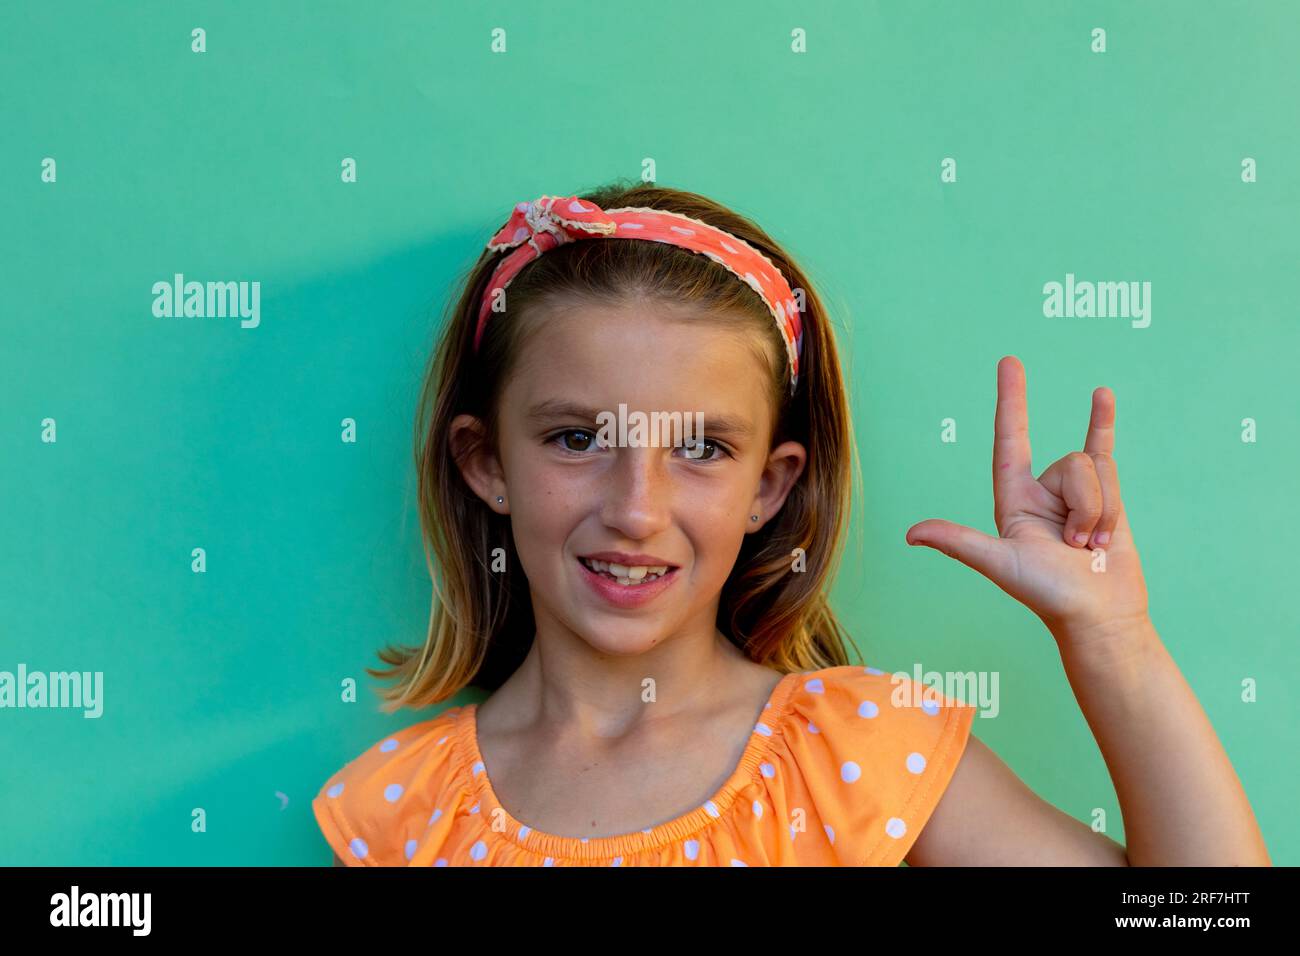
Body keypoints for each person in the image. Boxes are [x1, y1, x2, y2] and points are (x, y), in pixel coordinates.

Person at [312, 182, 1269, 866]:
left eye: (701, 450)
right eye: (575, 438)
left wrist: (1113, 638)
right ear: (487, 464)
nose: (636, 508)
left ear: (771, 487)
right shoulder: (402, 813)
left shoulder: (858, 755)